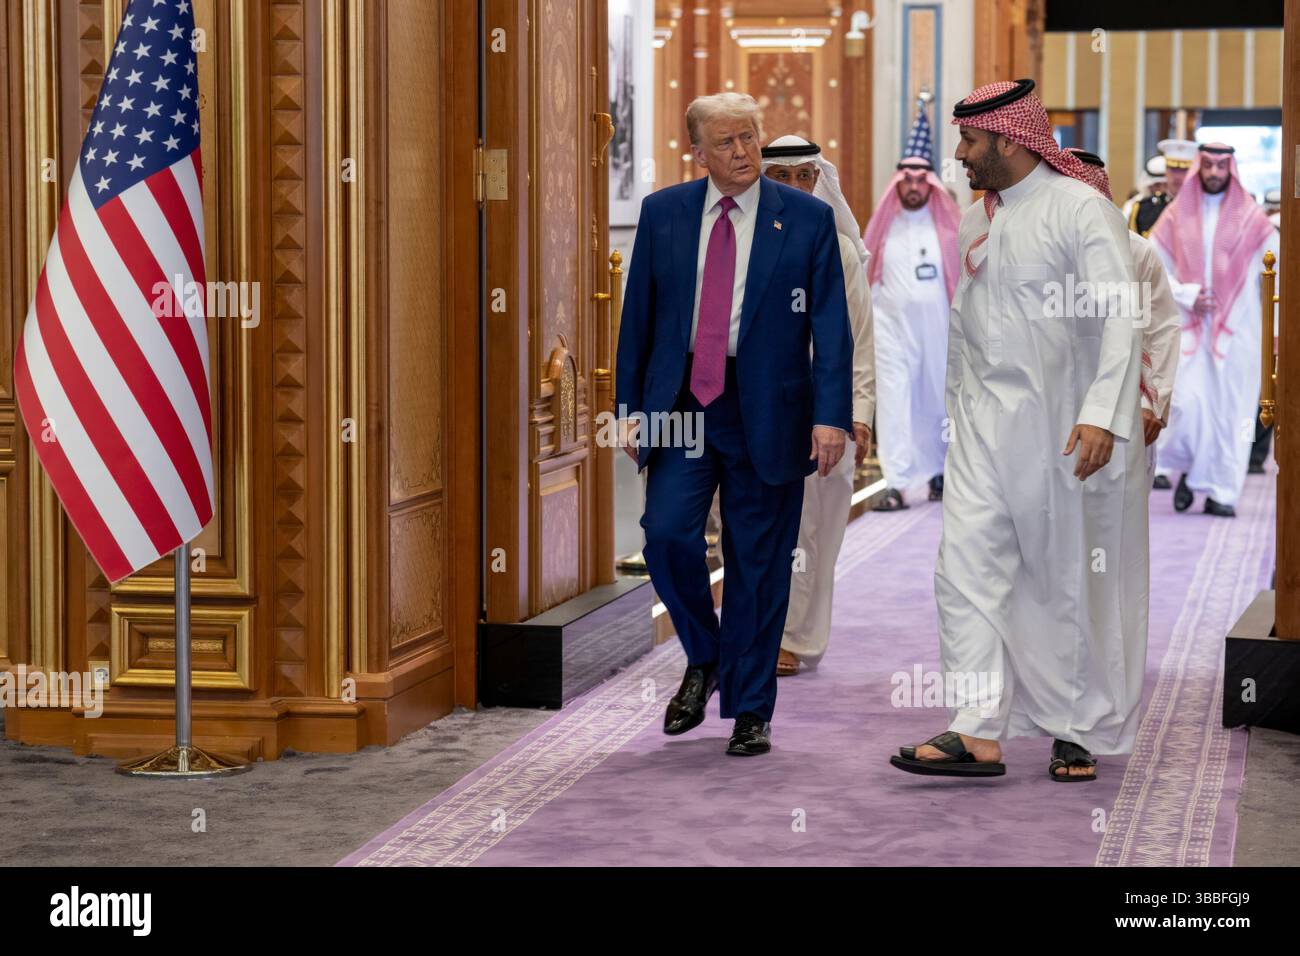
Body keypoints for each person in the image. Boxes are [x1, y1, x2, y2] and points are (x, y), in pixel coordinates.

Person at [890, 79, 1145, 782]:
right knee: (963, 572)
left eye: (971, 141)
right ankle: (975, 731)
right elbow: (968, 338)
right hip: (979, 429)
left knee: (1057, 578)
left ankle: (1072, 727)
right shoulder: (980, 222)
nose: (961, 155)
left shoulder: (1080, 210)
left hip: (1059, 429)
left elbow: (1122, 314)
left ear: (1008, 138)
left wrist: (1101, 414)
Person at [616, 92, 854, 757]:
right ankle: (705, 653)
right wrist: (628, 408)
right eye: (726, 142)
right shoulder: (664, 214)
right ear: (698, 151)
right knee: (665, 537)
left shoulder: (805, 220)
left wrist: (832, 416)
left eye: (750, 137)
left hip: (769, 409)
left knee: (758, 560)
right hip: (682, 405)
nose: (744, 152)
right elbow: (639, 316)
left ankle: (751, 709)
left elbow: (831, 328)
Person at [760, 135, 875, 678]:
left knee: (815, 527)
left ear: (817, 179)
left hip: (825, 408)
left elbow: (861, 337)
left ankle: (795, 635)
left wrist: (859, 410)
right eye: (780, 178)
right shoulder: (747, 238)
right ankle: (757, 626)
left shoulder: (842, 249)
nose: (795, 188)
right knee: (757, 522)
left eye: (804, 176)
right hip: (760, 406)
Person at [1151, 143, 1277, 516]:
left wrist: (1276, 334)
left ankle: (1223, 492)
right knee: (1187, 407)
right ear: (1199, 167)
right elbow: (1151, 269)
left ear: (1231, 169)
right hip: (1189, 329)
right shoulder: (1175, 217)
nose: (1215, 173)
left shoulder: (1254, 221)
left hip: (1239, 333)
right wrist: (1188, 295)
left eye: (1223, 166)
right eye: (1208, 165)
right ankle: (1191, 471)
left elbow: (1277, 277)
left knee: (1232, 416)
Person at [861, 104, 962, 511]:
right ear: (897, 184)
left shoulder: (948, 227)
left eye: (923, 178)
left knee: (937, 402)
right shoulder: (885, 227)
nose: (916, 186)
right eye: (909, 179)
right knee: (895, 402)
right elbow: (867, 282)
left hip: (939, 332)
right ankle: (898, 482)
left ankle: (940, 473)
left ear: (932, 183)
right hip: (891, 333)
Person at [1067, 147, 1181, 475]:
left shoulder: (1137, 250)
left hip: (1125, 406)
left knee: (1117, 513)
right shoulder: (1042, 248)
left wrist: (1152, 404)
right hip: (1053, 403)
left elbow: (1161, 329)